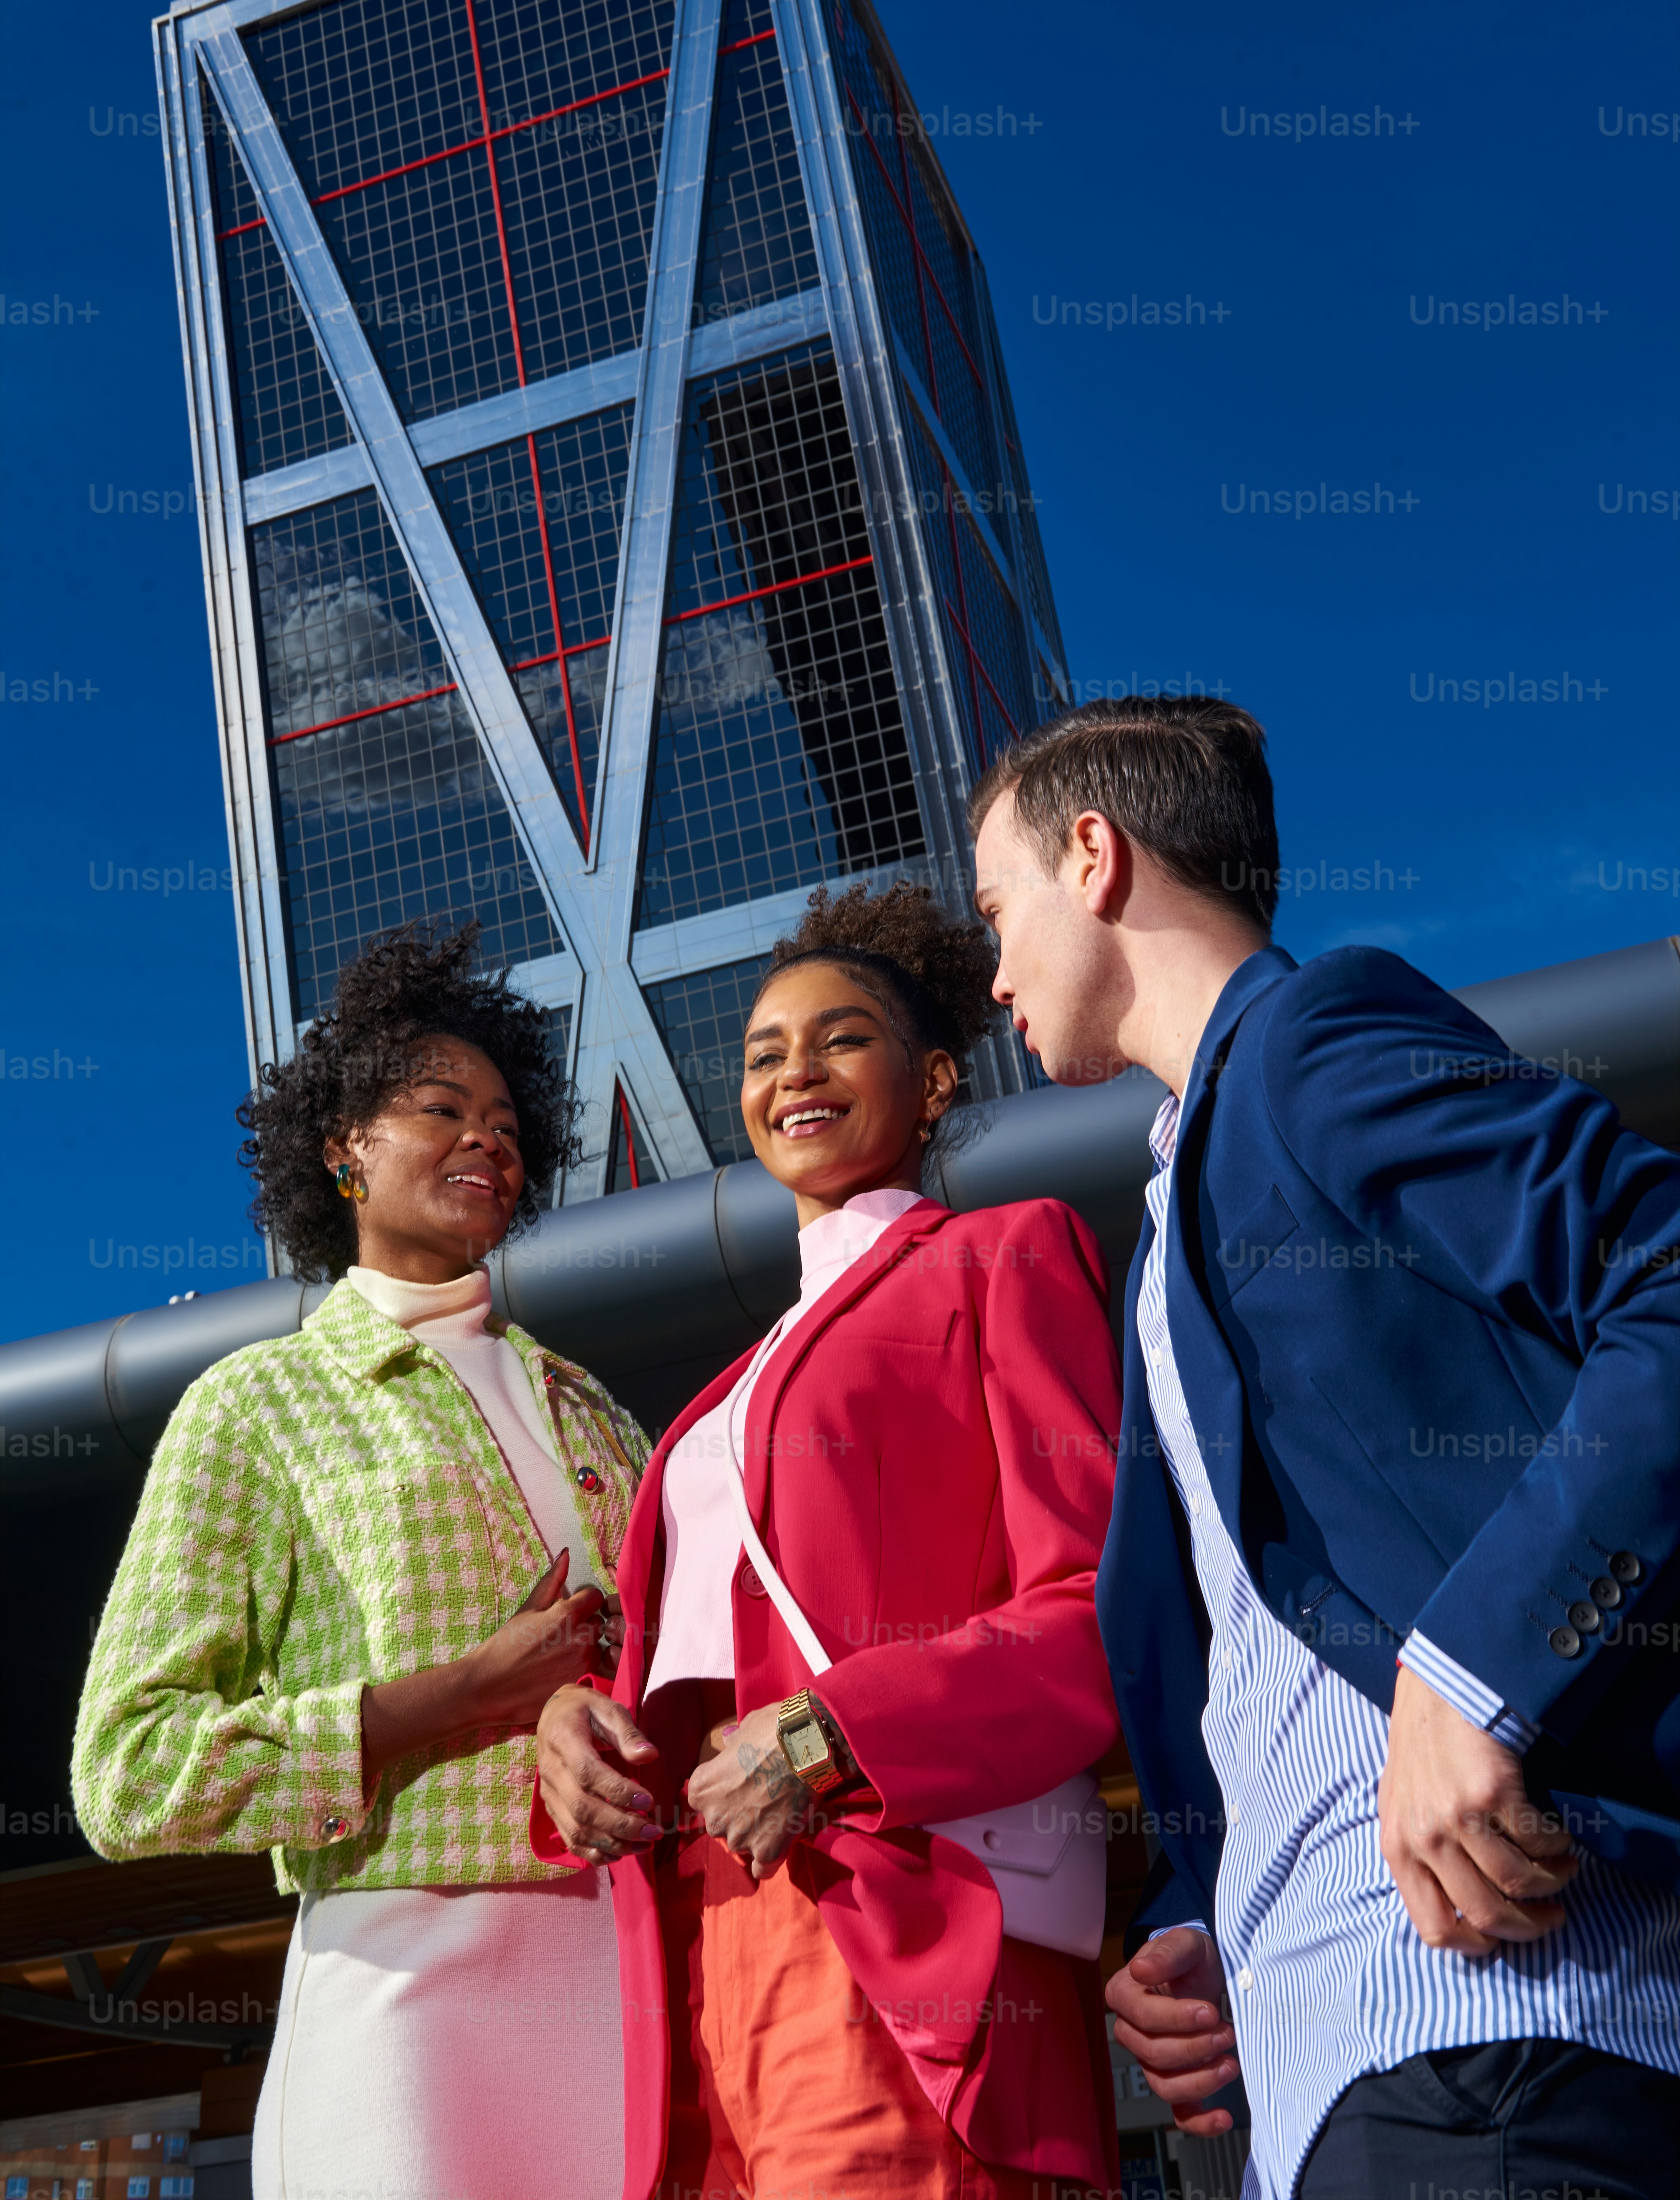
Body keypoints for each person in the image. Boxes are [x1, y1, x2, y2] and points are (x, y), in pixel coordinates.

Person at [967, 695, 1680, 2199]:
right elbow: (1279, 1619)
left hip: (1505, 2030)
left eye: (998, 906)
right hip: (1336, 2074)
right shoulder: (1176, 1221)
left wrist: (1483, 1667)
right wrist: (1204, 1917)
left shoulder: (1311, 1043)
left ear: (1092, 857)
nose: (994, 971)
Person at [530, 882, 1126, 2199]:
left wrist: (822, 1737)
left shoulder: (1005, 1259)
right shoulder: (715, 1404)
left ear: (935, 1083)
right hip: (695, 1950)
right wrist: (574, 1728)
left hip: (894, 1924)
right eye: (762, 1053)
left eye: (843, 1037)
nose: (795, 1070)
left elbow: (1093, 1609)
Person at [73, 922, 650, 2200]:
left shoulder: (602, 1414)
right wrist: (447, 1701)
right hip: (407, 1990)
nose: (485, 1137)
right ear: (344, 1150)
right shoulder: (258, 1405)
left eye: (506, 1120)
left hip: (643, 1968)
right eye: (439, 1107)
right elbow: (128, 1772)